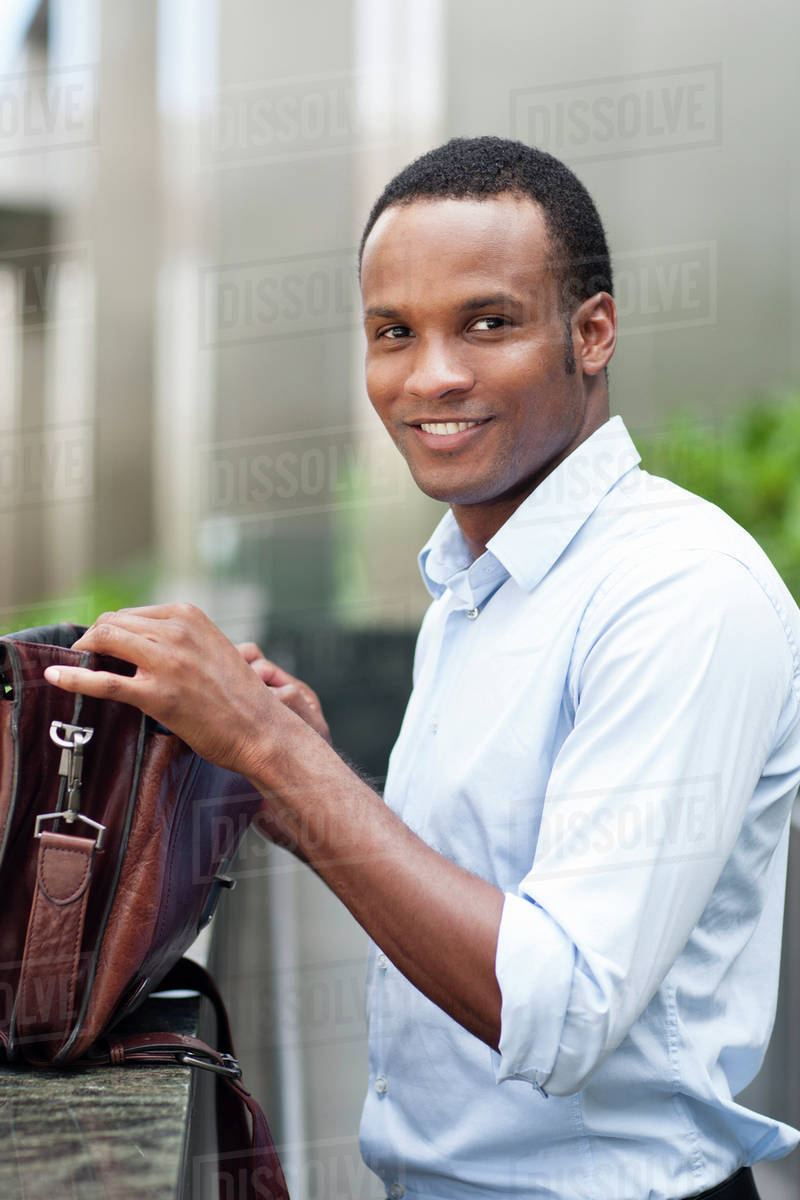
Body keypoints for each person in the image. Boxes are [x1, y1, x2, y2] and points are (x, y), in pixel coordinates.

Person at [44, 137, 800, 1200]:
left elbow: (560, 1003)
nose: (432, 375)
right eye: (393, 333)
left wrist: (271, 757)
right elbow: (486, 888)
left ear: (591, 332)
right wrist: (300, 773)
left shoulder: (677, 592)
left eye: (486, 323)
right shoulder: (476, 575)